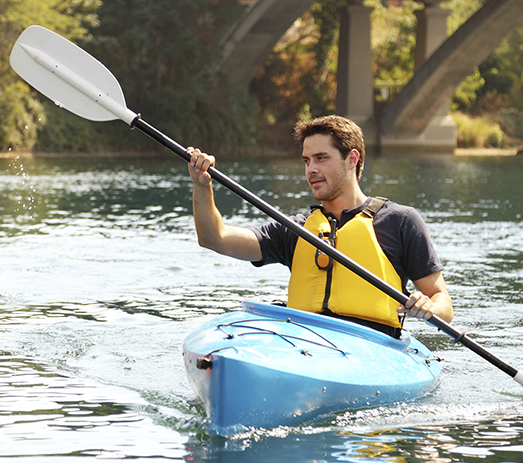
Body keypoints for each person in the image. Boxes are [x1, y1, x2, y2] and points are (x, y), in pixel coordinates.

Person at [186, 115, 453, 338]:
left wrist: (428, 305)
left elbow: (443, 303)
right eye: (306, 160)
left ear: (352, 159)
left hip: (373, 344)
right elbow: (215, 238)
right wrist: (202, 185)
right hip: (305, 342)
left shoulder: (400, 221)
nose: (311, 169)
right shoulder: (295, 230)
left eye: (321, 158)